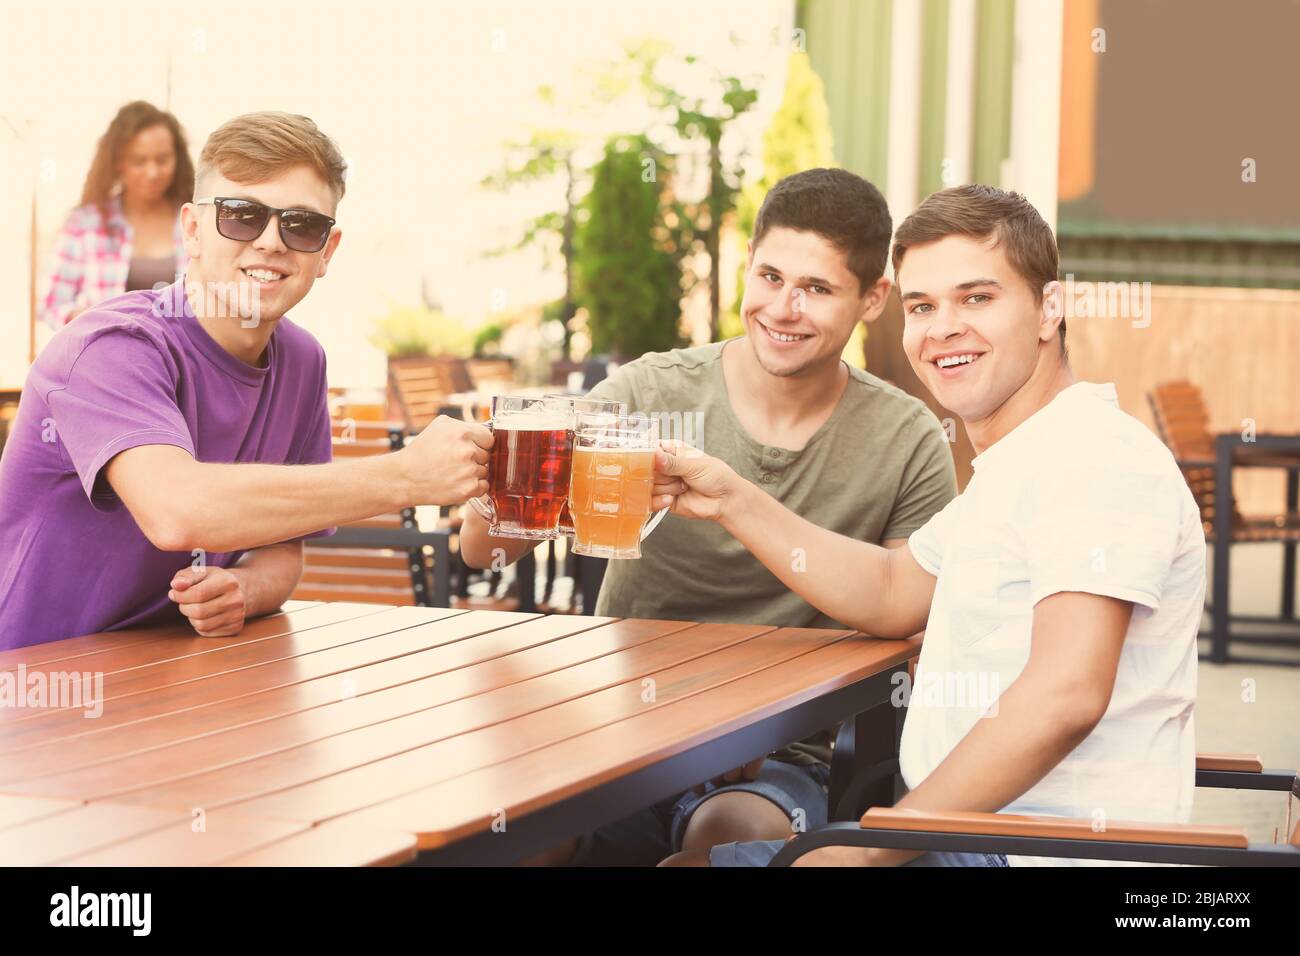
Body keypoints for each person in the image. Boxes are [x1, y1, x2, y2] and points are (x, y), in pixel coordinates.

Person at [651, 185, 1205, 867]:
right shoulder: (1022, 465)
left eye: (976, 298)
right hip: (974, 838)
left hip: (1031, 851)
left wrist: (870, 850)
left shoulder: (1093, 459)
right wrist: (732, 498)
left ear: (1048, 310)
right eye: (922, 306)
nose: (943, 327)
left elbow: (1066, 694)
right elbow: (890, 589)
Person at [460, 168, 958, 865]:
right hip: (615, 726)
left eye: (816, 289)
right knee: (507, 837)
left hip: (780, 751)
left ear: (873, 298)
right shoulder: (649, 391)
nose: (783, 308)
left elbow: (913, 611)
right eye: (770, 277)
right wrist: (501, 486)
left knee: (724, 840)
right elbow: (484, 552)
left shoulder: (906, 437)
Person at [0, 112, 490, 650]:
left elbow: (281, 552)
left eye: (302, 225)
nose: (272, 242)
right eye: (241, 215)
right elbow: (176, 510)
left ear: (326, 251)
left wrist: (245, 587)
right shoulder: (112, 347)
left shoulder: (303, 360)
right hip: (32, 691)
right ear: (191, 229)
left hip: (174, 680)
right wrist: (406, 477)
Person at [40, 101, 195, 329]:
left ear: (177, 159)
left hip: (182, 360)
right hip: (105, 359)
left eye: (162, 160)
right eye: (139, 161)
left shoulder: (195, 222)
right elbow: (52, 304)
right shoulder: (86, 223)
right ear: (118, 163)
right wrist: (90, 318)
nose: (152, 173)